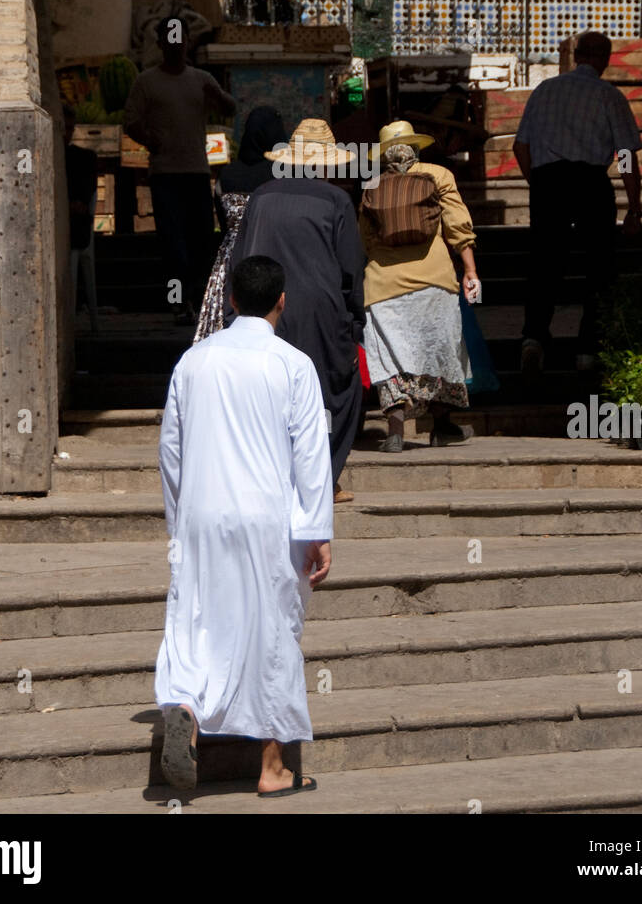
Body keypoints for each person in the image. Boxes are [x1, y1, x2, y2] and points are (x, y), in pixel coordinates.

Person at [156, 255, 332, 799]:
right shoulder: (293, 364)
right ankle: (273, 768)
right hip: (267, 518)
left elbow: (171, 450)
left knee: (194, 618)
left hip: (203, 513)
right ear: (282, 301)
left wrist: (180, 518)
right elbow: (311, 456)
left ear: (230, 300)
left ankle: (185, 701)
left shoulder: (193, 362)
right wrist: (316, 530)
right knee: (272, 631)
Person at [229, 119, 366, 504]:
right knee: (330, 391)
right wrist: (355, 319)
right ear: (325, 162)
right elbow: (351, 268)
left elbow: (240, 257)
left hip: (264, 308)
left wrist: (236, 308)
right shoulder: (335, 199)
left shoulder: (261, 195)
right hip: (321, 312)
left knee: (271, 392)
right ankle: (322, 480)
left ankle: (273, 476)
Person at [512, 29, 642, 373]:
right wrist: (634, 206)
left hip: (548, 182)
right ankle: (588, 349)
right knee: (599, 266)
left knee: (544, 264)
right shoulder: (609, 96)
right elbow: (626, 154)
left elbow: (519, 146)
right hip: (590, 184)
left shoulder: (544, 91)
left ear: (575, 56)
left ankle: (533, 338)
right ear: (605, 59)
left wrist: (538, 182)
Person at [359, 121, 481, 453]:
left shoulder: (371, 180)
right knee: (439, 352)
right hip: (434, 281)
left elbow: (366, 238)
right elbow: (458, 224)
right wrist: (469, 269)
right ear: (416, 145)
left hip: (382, 285)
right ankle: (442, 427)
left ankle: (395, 431)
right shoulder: (438, 174)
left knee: (390, 358)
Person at [123, 17, 236, 321]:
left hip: (196, 172)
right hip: (164, 175)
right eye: (170, 39)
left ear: (187, 42)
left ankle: (198, 301)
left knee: (200, 240)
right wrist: (149, 138)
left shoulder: (201, 79)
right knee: (173, 243)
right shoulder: (146, 81)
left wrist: (218, 97)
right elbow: (131, 121)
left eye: (180, 38)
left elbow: (230, 108)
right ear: (161, 44)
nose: (176, 44)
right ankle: (176, 301)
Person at [194, 106, 287, 343]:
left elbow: (223, 224)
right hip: (273, 254)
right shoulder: (282, 173)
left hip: (231, 259)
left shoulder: (226, 175)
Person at [61, 102, 99, 332]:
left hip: (75, 228)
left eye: (70, 128)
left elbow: (83, 201)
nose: (67, 133)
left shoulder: (83, 158)